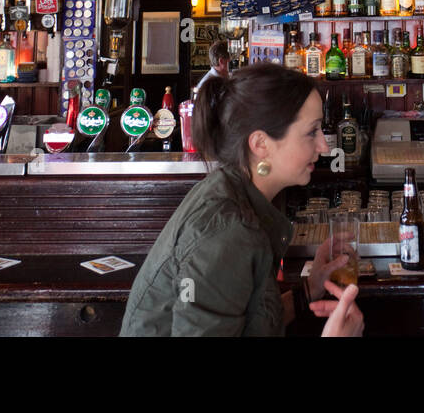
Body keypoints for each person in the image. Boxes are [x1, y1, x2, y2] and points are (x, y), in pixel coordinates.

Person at [121, 63, 363, 336]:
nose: (324, 146)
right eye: (312, 132)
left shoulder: (235, 193)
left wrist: (309, 289)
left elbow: (245, 323)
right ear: (260, 144)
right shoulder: (225, 233)